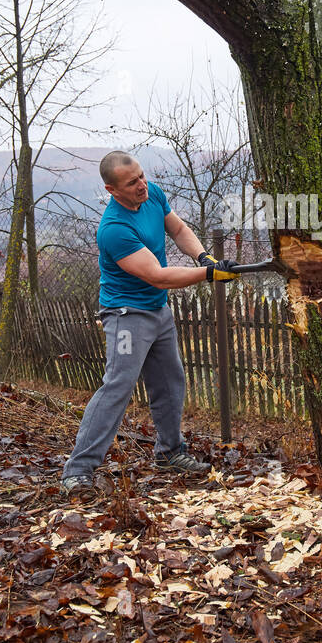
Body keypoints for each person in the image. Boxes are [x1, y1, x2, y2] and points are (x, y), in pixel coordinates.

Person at [60, 151, 241, 497]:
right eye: (132, 183)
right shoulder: (113, 229)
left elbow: (178, 228)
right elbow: (157, 276)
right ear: (112, 189)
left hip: (158, 312)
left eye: (142, 176)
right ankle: (78, 469)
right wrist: (208, 274)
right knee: (118, 385)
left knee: (170, 381)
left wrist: (204, 256)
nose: (142, 185)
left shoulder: (153, 194)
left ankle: (171, 452)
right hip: (127, 317)